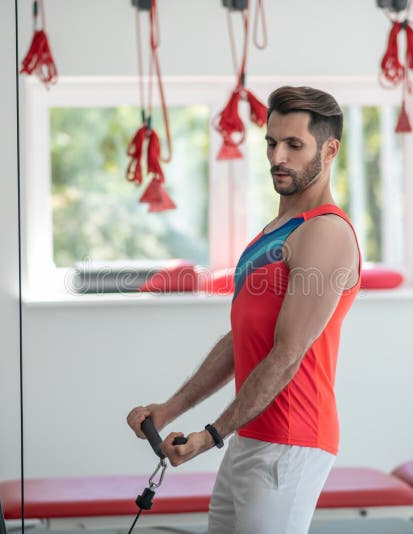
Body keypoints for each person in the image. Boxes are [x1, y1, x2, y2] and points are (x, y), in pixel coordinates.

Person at [126, 86, 362, 534]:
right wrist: (170, 409)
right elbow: (242, 340)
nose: (278, 156)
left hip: (290, 441)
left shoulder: (326, 232)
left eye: (295, 145)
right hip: (251, 437)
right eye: (272, 143)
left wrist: (211, 435)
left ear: (329, 150)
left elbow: (287, 353)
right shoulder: (276, 231)